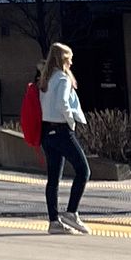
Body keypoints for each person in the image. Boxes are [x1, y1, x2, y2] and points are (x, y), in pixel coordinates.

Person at [38, 42, 91, 235]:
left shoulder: (46, 79)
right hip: (61, 130)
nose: (71, 61)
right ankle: (71, 212)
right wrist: (71, 122)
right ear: (63, 60)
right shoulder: (62, 79)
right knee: (83, 170)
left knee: (53, 179)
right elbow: (62, 103)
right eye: (69, 58)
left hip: (46, 132)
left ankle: (54, 221)